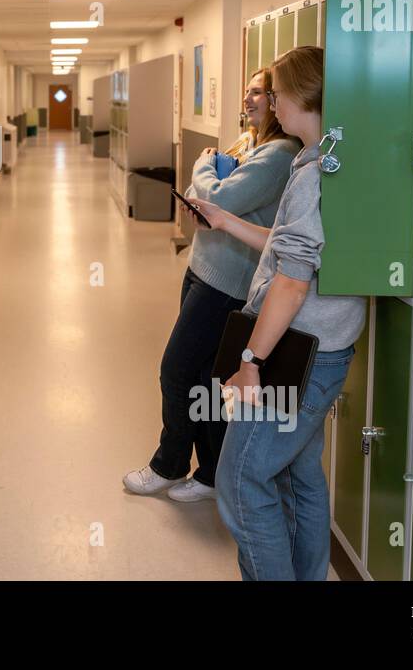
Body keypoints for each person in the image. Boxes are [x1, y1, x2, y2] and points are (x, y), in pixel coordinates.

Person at [190, 46, 366, 581]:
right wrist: (225, 221)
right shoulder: (331, 160)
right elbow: (290, 250)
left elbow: (291, 282)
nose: (273, 103)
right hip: (324, 347)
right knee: (299, 477)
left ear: (302, 96)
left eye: (278, 92)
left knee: (242, 482)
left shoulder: (315, 174)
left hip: (294, 352)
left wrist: (250, 360)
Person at [123, 69, 300, 503]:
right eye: (250, 91)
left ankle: (168, 464)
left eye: (261, 92)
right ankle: (210, 474)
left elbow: (213, 200)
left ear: (279, 100)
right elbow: (196, 198)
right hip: (204, 266)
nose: (252, 99)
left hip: (229, 283)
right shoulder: (252, 144)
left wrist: (203, 165)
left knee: (176, 368)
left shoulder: (279, 154)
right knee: (204, 376)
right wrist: (207, 187)